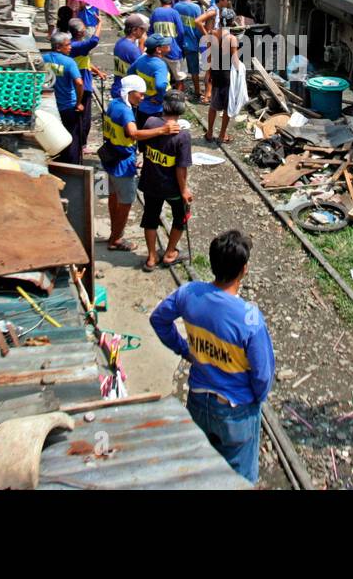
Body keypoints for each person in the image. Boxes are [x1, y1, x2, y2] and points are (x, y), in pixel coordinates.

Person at [149, 230, 274, 483]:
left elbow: (158, 319)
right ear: (244, 269)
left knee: (201, 470)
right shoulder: (249, 319)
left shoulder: (189, 294)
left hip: (198, 400)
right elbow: (262, 375)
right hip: (236, 408)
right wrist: (254, 400)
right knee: (239, 477)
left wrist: (184, 349)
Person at [99, 74, 180, 253]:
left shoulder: (113, 104)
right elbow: (133, 133)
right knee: (126, 202)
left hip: (108, 158)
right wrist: (162, 129)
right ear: (129, 92)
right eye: (140, 94)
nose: (142, 98)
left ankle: (114, 231)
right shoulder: (126, 112)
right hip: (122, 164)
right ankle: (116, 239)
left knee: (112, 197)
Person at [137, 91, 193, 272]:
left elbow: (143, 147)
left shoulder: (151, 123)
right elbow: (181, 168)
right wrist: (184, 189)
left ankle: (152, 257)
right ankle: (169, 253)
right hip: (171, 187)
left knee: (150, 217)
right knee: (180, 217)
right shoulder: (182, 136)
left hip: (150, 181)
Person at [42, 31, 85, 164]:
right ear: (59, 47)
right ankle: (72, 166)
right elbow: (79, 82)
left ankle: (58, 163)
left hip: (51, 106)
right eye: (68, 45)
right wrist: (79, 102)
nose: (71, 47)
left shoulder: (44, 58)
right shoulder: (69, 62)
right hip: (68, 106)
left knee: (55, 137)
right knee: (71, 138)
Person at [68, 18, 103, 147]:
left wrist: (97, 71)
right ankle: (81, 143)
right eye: (83, 29)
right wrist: (99, 24)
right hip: (83, 85)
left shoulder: (74, 45)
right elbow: (94, 41)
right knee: (84, 118)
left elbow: (84, 61)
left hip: (82, 81)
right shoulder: (78, 46)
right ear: (79, 33)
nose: (85, 31)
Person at [204, 23, 240, 143]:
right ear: (231, 23)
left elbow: (208, 58)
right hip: (227, 77)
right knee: (227, 108)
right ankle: (222, 135)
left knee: (213, 107)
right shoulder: (231, 38)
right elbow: (235, 61)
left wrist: (209, 74)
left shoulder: (211, 35)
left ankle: (209, 133)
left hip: (216, 75)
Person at [127, 34, 172, 130]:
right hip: (156, 109)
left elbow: (130, 72)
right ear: (158, 49)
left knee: (143, 132)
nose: (168, 45)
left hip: (142, 105)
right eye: (165, 45)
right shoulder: (159, 65)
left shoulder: (141, 59)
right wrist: (160, 98)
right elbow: (160, 86)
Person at [149, 0, 186, 90]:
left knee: (161, 76)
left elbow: (150, 32)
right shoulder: (174, 13)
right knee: (179, 78)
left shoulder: (155, 12)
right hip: (173, 50)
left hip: (158, 51)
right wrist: (178, 44)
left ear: (161, 2)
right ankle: (178, 101)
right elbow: (181, 32)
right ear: (172, 1)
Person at [175, 0, 204, 101]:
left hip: (178, 42)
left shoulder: (176, 6)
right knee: (194, 70)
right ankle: (197, 92)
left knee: (177, 68)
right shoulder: (196, 8)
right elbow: (198, 28)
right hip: (192, 43)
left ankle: (177, 90)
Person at [111, 13, 147, 101]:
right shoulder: (132, 49)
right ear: (134, 30)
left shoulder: (120, 43)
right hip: (128, 92)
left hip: (118, 85)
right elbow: (142, 68)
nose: (143, 32)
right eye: (142, 29)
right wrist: (142, 44)